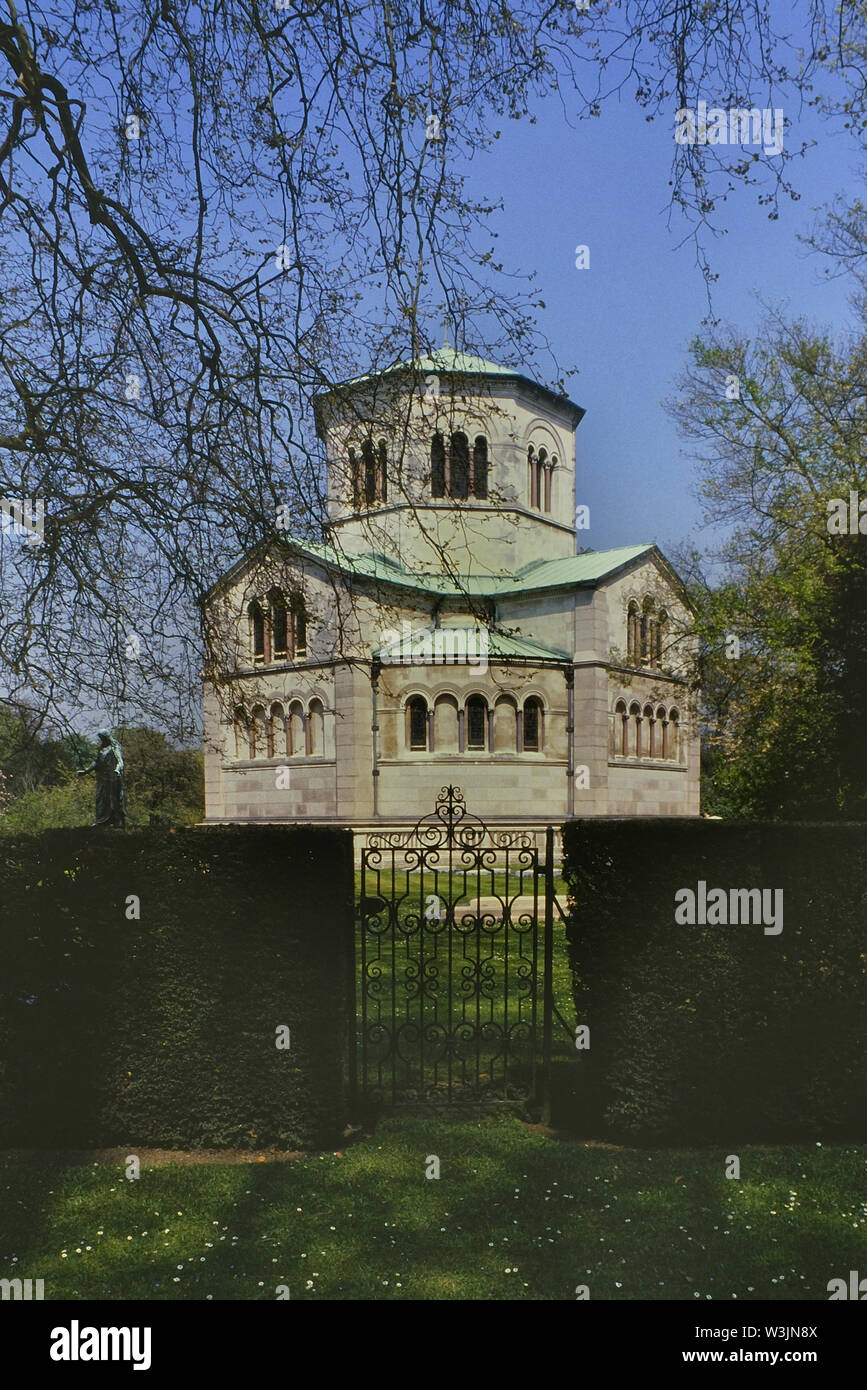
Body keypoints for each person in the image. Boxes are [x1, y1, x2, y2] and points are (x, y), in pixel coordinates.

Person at [77, 729, 127, 828]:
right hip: (103, 779)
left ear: (107, 736)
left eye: (102, 737)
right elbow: (96, 761)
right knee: (100, 799)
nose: (101, 740)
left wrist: (117, 769)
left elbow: (120, 761)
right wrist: (86, 771)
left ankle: (117, 821)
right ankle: (102, 820)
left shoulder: (115, 747)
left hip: (113, 779)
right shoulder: (102, 749)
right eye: (100, 738)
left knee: (114, 800)